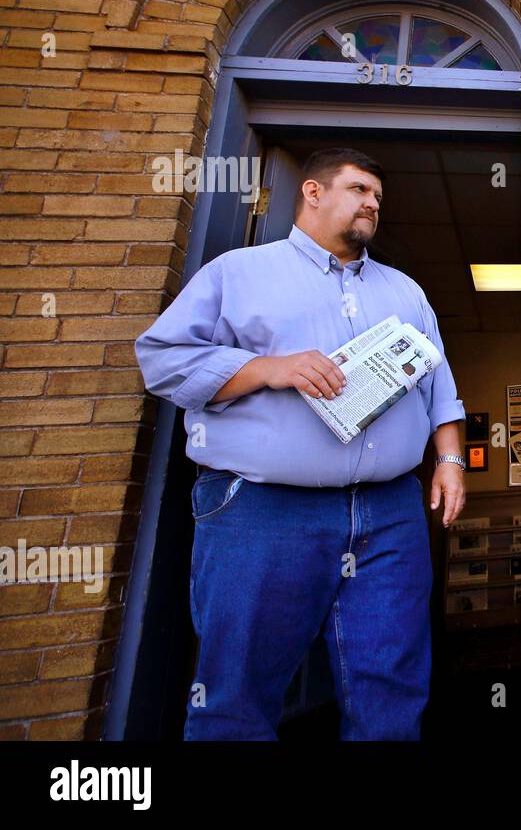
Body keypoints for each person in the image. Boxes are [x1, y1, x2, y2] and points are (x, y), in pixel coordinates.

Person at [135, 147, 467, 741]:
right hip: (261, 510)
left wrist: (449, 460)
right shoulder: (237, 273)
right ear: (312, 192)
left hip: (391, 512)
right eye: (360, 189)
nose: (372, 204)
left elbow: (438, 382)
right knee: (237, 692)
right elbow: (163, 363)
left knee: (391, 688)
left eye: (378, 198)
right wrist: (268, 369)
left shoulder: (406, 292)